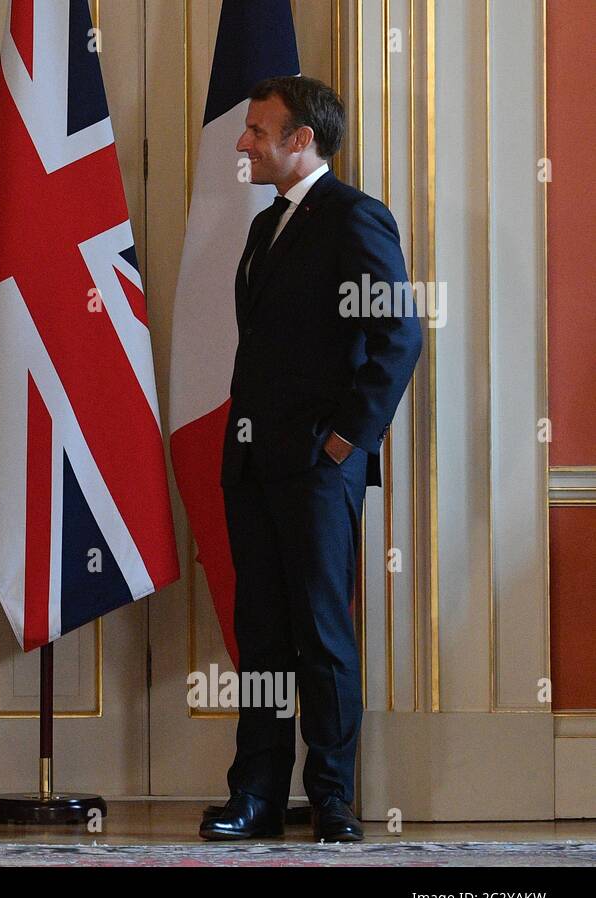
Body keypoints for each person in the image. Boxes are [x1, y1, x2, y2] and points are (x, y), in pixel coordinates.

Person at [200, 75, 422, 843]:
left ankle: (332, 798)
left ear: (302, 140)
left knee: (322, 633)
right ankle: (256, 794)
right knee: (260, 633)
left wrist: (344, 442)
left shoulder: (354, 217)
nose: (243, 143)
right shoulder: (268, 226)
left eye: (258, 131)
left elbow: (400, 336)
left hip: (317, 468)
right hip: (253, 465)